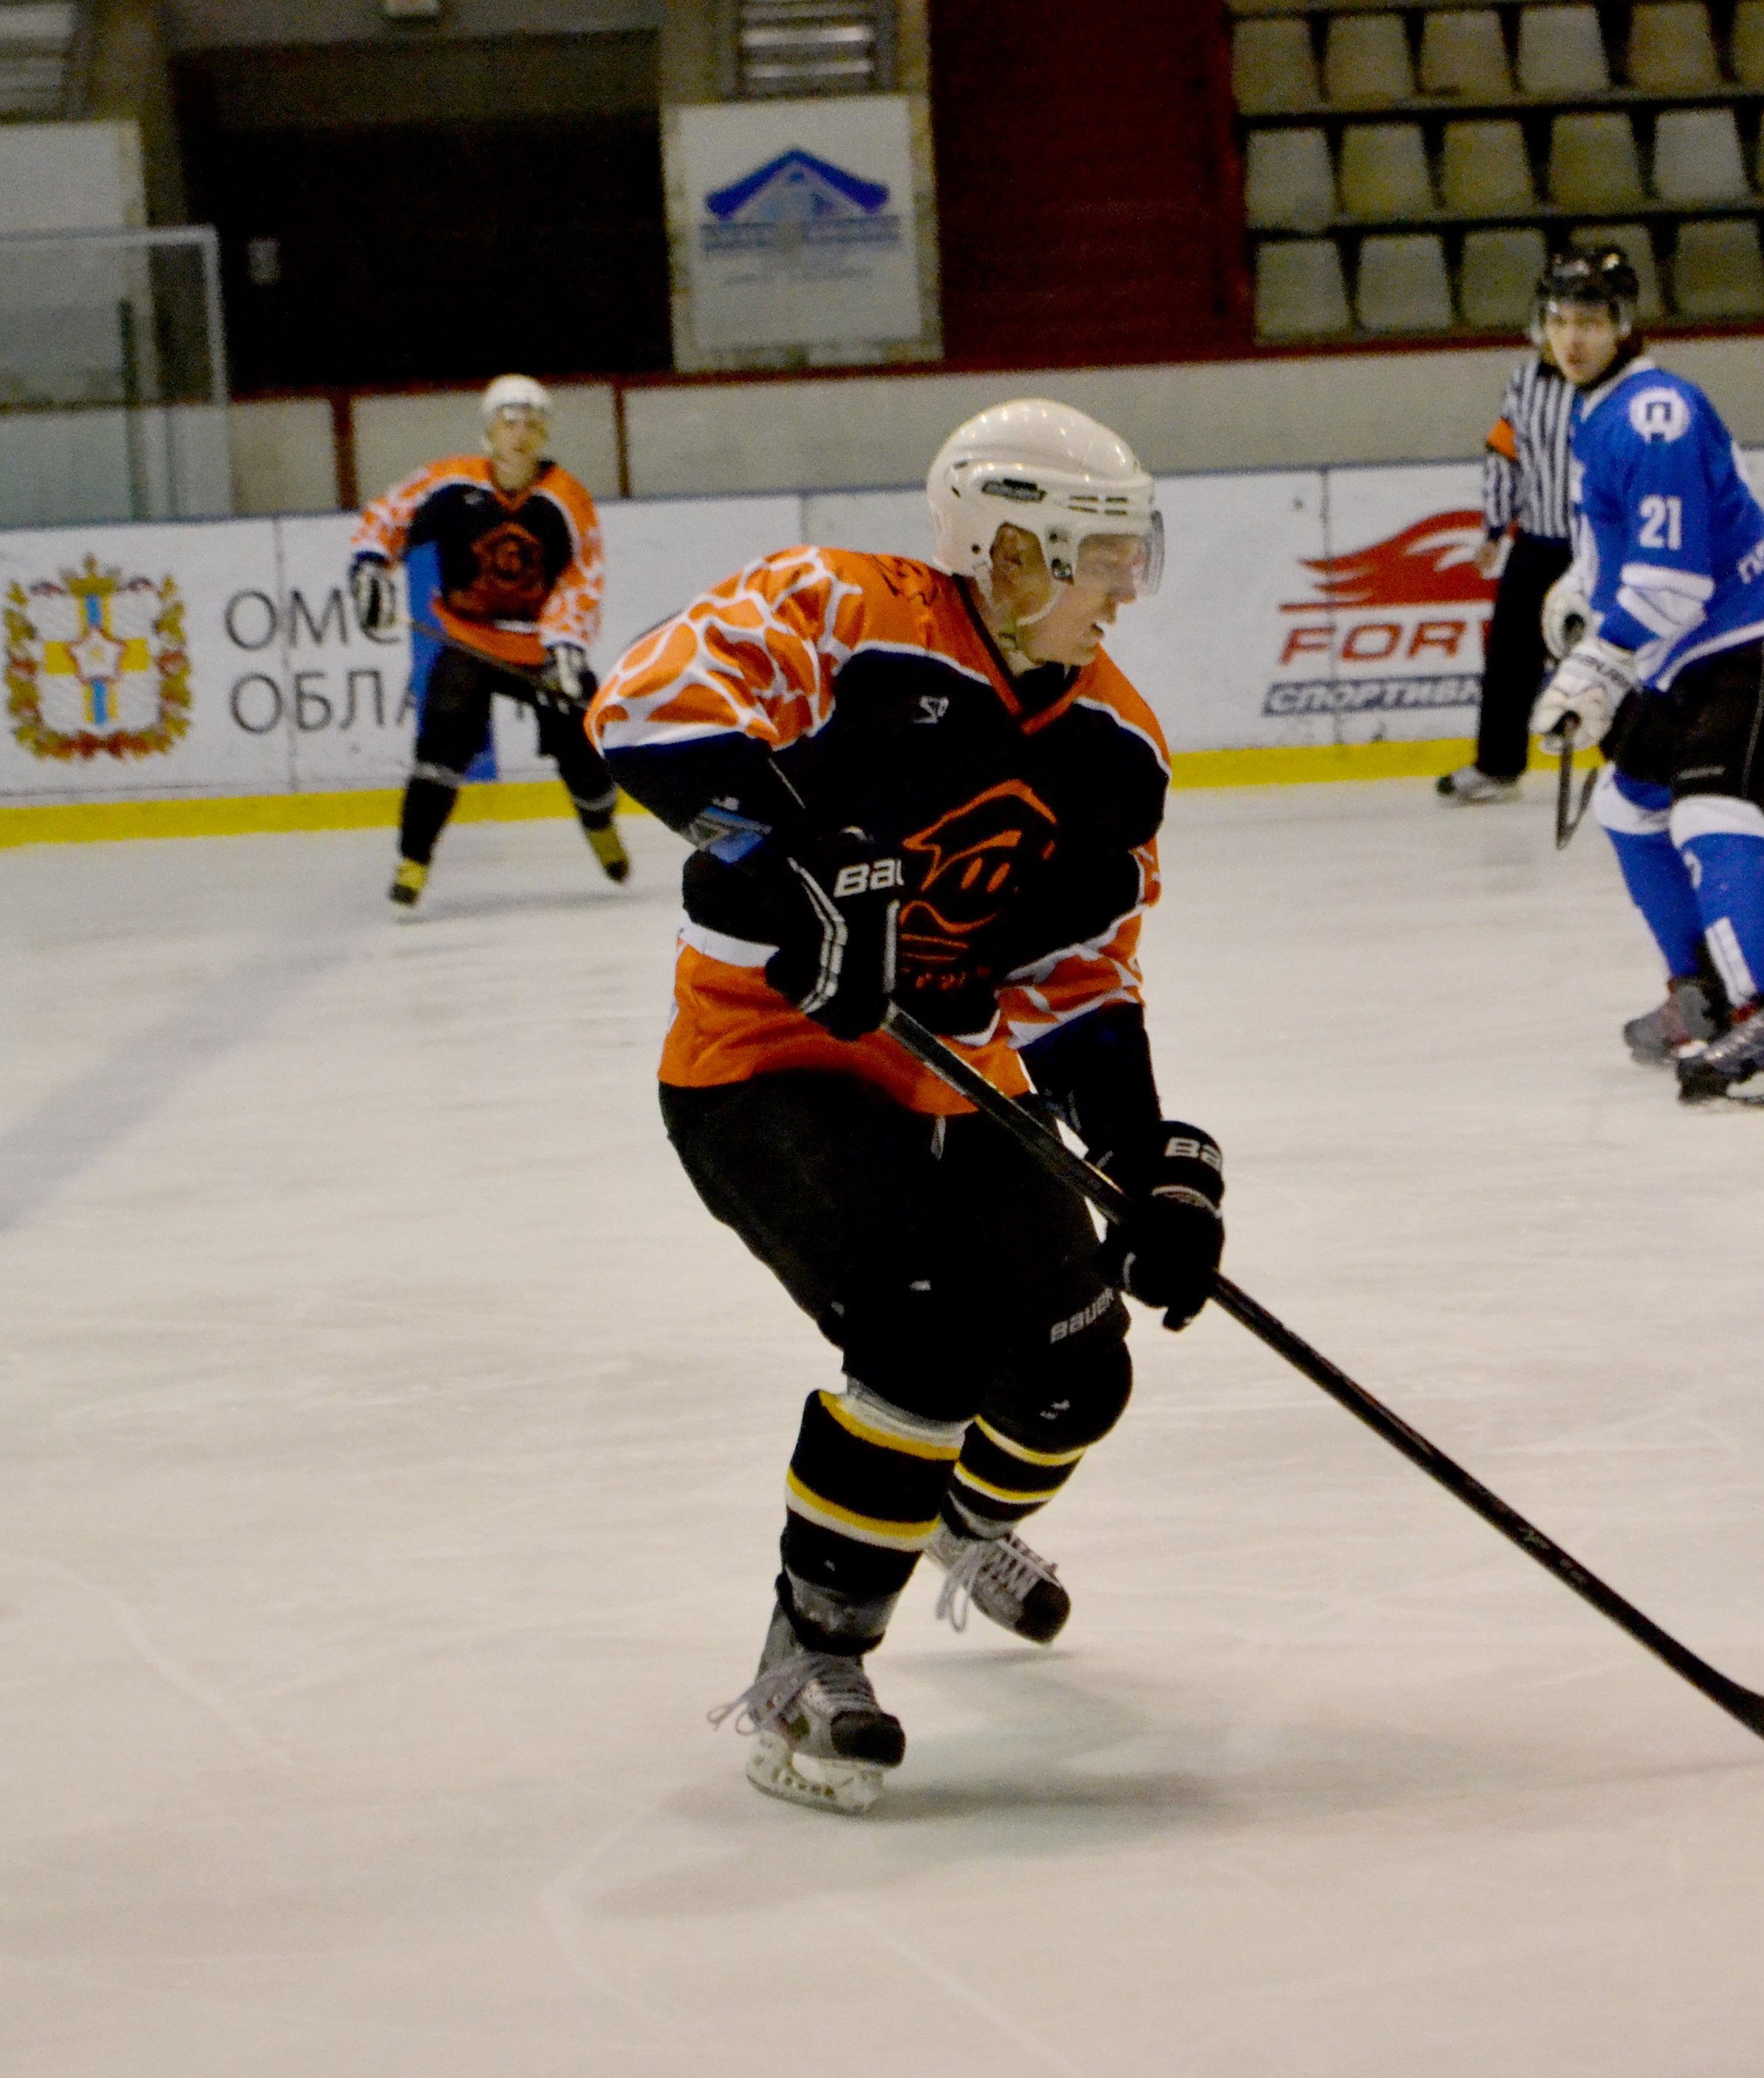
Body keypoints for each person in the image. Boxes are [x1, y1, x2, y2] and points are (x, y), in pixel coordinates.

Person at [587, 399, 1224, 1816]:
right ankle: (808, 1657)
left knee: (1078, 1370)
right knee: (925, 1331)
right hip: (764, 1059)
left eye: (1134, 554)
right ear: (1005, 550)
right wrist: (797, 856)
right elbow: (642, 709)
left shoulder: (1117, 747)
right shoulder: (841, 608)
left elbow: (1077, 979)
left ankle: (952, 1518)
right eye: (1100, 556)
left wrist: (1149, 1168)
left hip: (953, 1073)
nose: (1127, 587)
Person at [1525, 248, 1764, 1105]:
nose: (1573, 339)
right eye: (1560, 321)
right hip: (1683, 647)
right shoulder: (1605, 410)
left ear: (1624, 325)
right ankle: (1703, 998)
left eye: (1590, 321)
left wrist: (1597, 663)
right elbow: (1632, 552)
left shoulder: (1654, 411)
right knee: (1629, 807)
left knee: (1712, 812)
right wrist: (1588, 592)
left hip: (1742, 636)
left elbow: (1676, 577)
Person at [349, 374, 625, 910]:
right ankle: (413, 861)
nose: (519, 434)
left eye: (530, 424)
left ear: (544, 434)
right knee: (440, 752)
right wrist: (369, 571)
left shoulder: (564, 498)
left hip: (539, 650)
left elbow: (581, 577)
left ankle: (600, 823)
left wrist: (566, 646)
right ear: (489, 430)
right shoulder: (451, 483)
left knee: (584, 749)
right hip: (469, 641)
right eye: (508, 422)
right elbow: (387, 517)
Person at [1434, 281, 1576, 806]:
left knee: (1616, 655)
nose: (1565, 338)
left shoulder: (1610, 391)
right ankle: (1497, 765)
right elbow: (1504, 456)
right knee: (1510, 656)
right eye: (1556, 324)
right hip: (1537, 541)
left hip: (1598, 547)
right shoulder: (1523, 383)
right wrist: (1495, 528)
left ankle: (1643, 765)